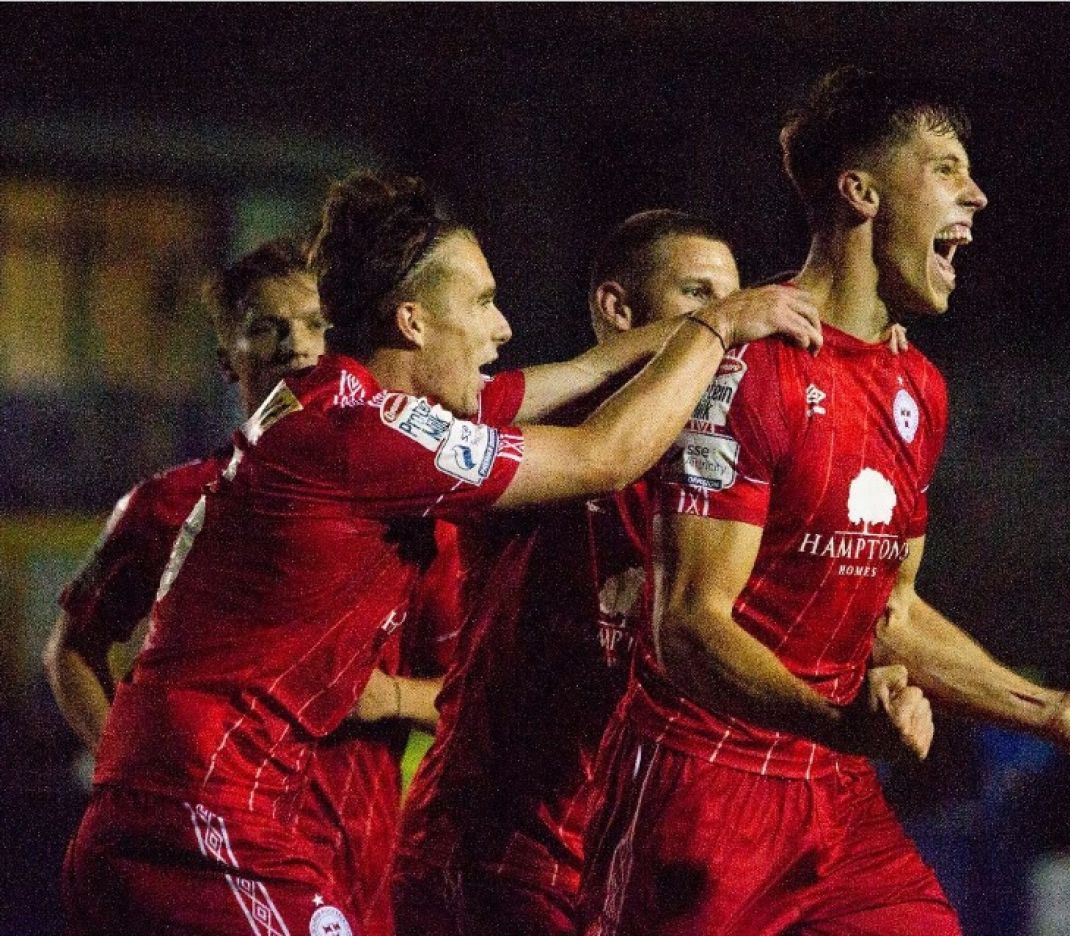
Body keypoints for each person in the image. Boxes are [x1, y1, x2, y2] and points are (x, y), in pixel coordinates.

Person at [61, 173, 824, 936]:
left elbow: (574, 378)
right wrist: (719, 327)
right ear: (414, 322)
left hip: (193, 815)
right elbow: (604, 453)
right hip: (207, 819)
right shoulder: (365, 438)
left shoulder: (346, 406)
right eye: (483, 301)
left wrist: (679, 331)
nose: (502, 328)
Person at [579, 67, 1070, 936]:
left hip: (837, 799)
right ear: (862, 191)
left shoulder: (917, 385)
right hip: (705, 795)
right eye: (948, 169)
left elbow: (890, 613)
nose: (979, 195)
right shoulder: (746, 367)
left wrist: (1048, 709)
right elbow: (689, 624)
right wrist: (839, 722)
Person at [47, 236, 449, 934]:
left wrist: (390, 697)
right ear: (226, 359)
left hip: (352, 863)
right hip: (205, 857)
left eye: (317, 324)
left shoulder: (406, 510)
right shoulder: (168, 505)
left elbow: (473, 695)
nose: (296, 346)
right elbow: (71, 651)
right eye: (267, 327)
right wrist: (145, 787)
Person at [393, 209, 744, 936]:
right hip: (498, 861)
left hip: (619, 869)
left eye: (735, 299)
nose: (729, 323)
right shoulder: (554, 440)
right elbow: (597, 451)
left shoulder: (726, 475)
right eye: (700, 297)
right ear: (618, 310)